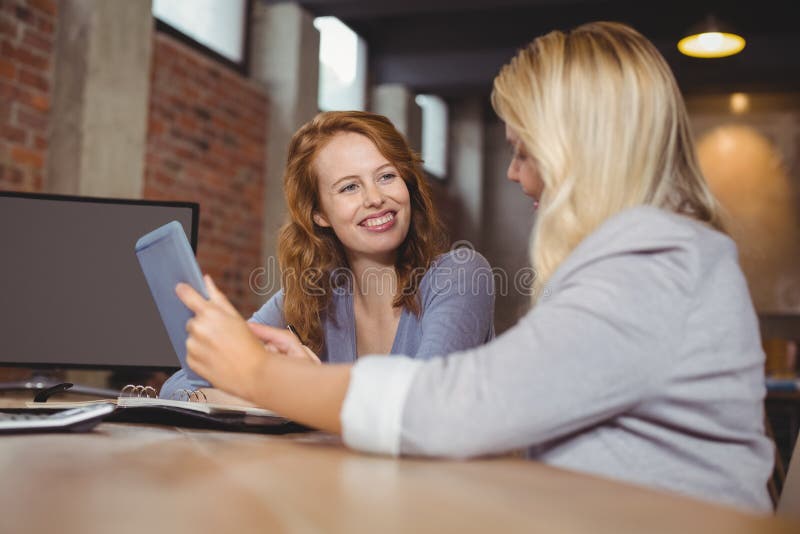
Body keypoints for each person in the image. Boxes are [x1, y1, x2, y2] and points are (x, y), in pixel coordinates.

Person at [174, 22, 774, 511]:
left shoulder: (653, 267)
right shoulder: (645, 257)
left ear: (580, 148)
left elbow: (453, 411)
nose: (514, 173)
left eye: (523, 150)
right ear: (319, 214)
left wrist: (264, 377)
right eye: (349, 187)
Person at [160, 111, 495, 400]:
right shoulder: (310, 296)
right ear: (319, 213)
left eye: (386, 176)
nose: (375, 198)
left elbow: (424, 404)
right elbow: (179, 385)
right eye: (350, 187)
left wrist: (300, 385)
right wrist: (268, 390)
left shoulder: (459, 275)